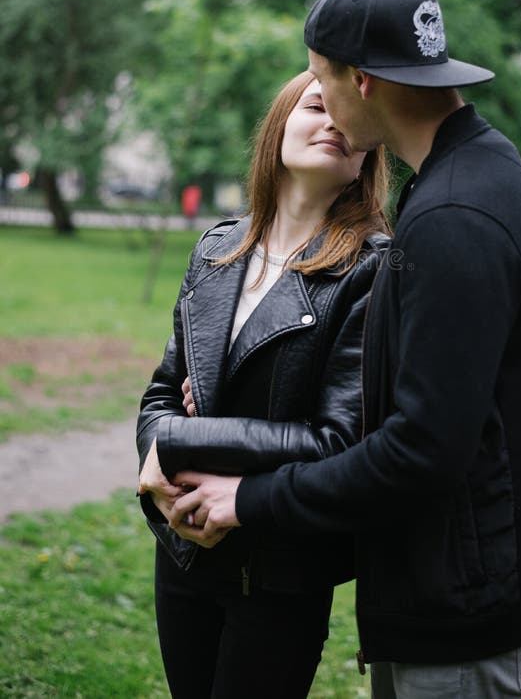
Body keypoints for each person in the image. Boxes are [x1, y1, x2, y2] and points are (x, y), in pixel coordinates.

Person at [170, 0, 521, 698]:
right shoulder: (473, 175)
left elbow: (422, 450)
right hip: (460, 582)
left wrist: (249, 500)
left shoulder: (455, 215)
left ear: (361, 81)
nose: (319, 100)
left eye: (319, 78)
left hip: (469, 603)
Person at [136, 70, 390, 699]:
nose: (334, 122)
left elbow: (339, 441)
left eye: (348, 116)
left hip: (280, 568)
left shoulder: (373, 267)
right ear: (279, 125)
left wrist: (179, 439)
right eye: (316, 106)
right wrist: (156, 461)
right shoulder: (216, 248)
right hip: (184, 548)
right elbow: (164, 391)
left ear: (368, 154)